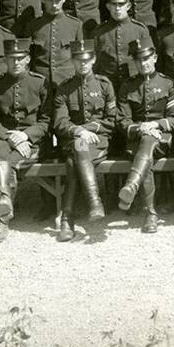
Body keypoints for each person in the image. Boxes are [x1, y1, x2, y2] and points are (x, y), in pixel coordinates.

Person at [0, 40, 50, 243]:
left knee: (5, 163)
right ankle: (4, 204)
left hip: (32, 142)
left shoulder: (39, 83)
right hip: (3, 139)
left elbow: (47, 120)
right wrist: (10, 136)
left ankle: (2, 219)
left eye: (20, 58)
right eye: (12, 59)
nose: (16, 62)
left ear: (28, 59)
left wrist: (26, 135)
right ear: (6, 60)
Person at [49, 37, 116, 241]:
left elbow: (111, 120)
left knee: (73, 162)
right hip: (73, 141)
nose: (82, 64)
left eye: (86, 60)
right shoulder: (65, 88)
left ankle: (66, 220)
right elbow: (60, 122)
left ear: (93, 59)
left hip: (98, 142)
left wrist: (87, 131)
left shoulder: (104, 85)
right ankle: (94, 202)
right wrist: (79, 131)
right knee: (78, 146)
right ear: (72, 61)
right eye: (78, 60)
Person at [116, 40, 174, 233]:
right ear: (135, 62)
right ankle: (150, 212)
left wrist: (154, 125)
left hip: (162, 141)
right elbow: (123, 122)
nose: (144, 63)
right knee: (145, 153)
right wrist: (141, 128)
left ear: (155, 58)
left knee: (148, 142)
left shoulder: (168, 83)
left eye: (147, 59)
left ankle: (135, 191)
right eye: (139, 60)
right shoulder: (127, 87)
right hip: (136, 141)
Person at [93, 0, 152, 89]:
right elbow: (95, 63)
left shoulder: (140, 30)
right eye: (114, 4)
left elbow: (149, 60)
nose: (117, 8)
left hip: (133, 84)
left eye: (121, 4)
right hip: (108, 85)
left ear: (128, 6)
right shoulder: (100, 32)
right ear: (108, 6)